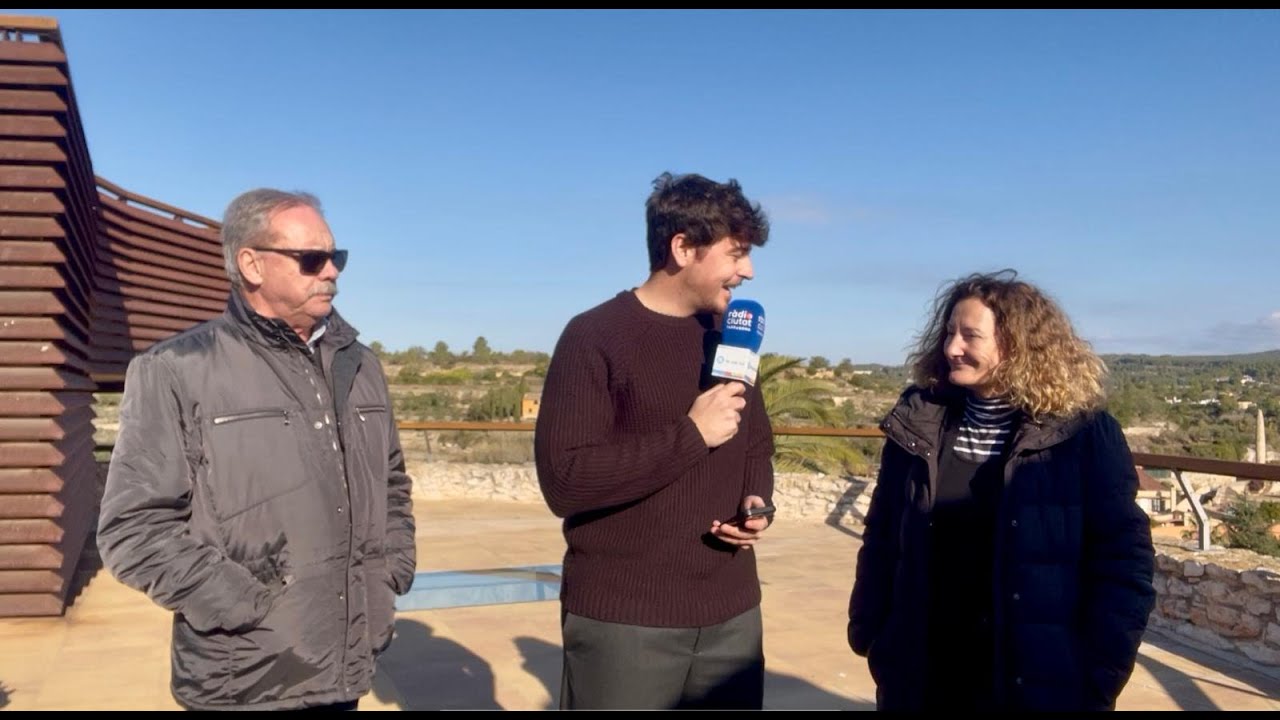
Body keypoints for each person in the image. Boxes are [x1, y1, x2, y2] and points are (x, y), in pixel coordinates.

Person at [97, 189, 416, 711]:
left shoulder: (362, 367)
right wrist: (245, 602)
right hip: (244, 678)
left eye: (338, 257)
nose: (331, 272)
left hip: (346, 665)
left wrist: (391, 570)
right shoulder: (176, 369)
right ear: (251, 264)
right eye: (312, 259)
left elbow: (392, 483)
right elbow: (134, 529)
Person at [847, 270, 1156, 712]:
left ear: (1018, 347)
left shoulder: (1084, 436)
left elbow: (1124, 563)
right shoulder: (918, 425)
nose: (952, 347)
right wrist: (873, 631)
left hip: (1037, 682)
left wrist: (1099, 674)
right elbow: (882, 535)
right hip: (922, 678)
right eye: (950, 332)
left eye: (970, 335)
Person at [534, 172, 775, 710]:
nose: (748, 270)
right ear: (683, 247)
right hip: (625, 622)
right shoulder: (594, 336)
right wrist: (689, 435)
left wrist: (759, 501)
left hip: (732, 613)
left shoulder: (729, 336)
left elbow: (756, 444)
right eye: (736, 253)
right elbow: (565, 481)